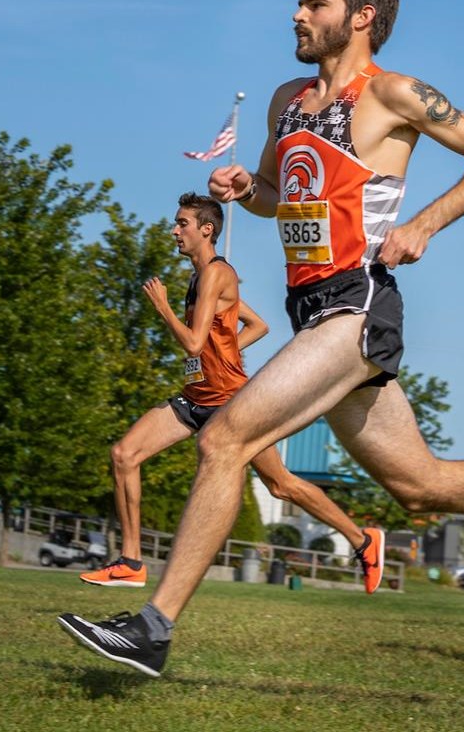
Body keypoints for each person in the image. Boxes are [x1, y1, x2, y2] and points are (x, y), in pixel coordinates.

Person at [57, 0, 464, 678]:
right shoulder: (287, 101)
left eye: (314, 4)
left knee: (225, 440)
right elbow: (278, 195)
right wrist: (248, 188)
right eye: (300, 3)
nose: (297, 14)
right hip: (312, 313)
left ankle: (153, 627)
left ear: (360, 17)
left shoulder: (393, 93)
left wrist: (423, 224)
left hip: (358, 306)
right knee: (419, 483)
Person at [81, 192, 384, 594]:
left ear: (206, 229)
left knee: (281, 485)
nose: (175, 231)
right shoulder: (199, 275)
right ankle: (131, 562)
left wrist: (164, 309)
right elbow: (258, 324)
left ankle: (363, 540)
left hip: (229, 405)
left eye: (182, 224)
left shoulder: (216, 275)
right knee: (124, 455)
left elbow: (191, 343)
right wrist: (223, 352)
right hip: (195, 398)